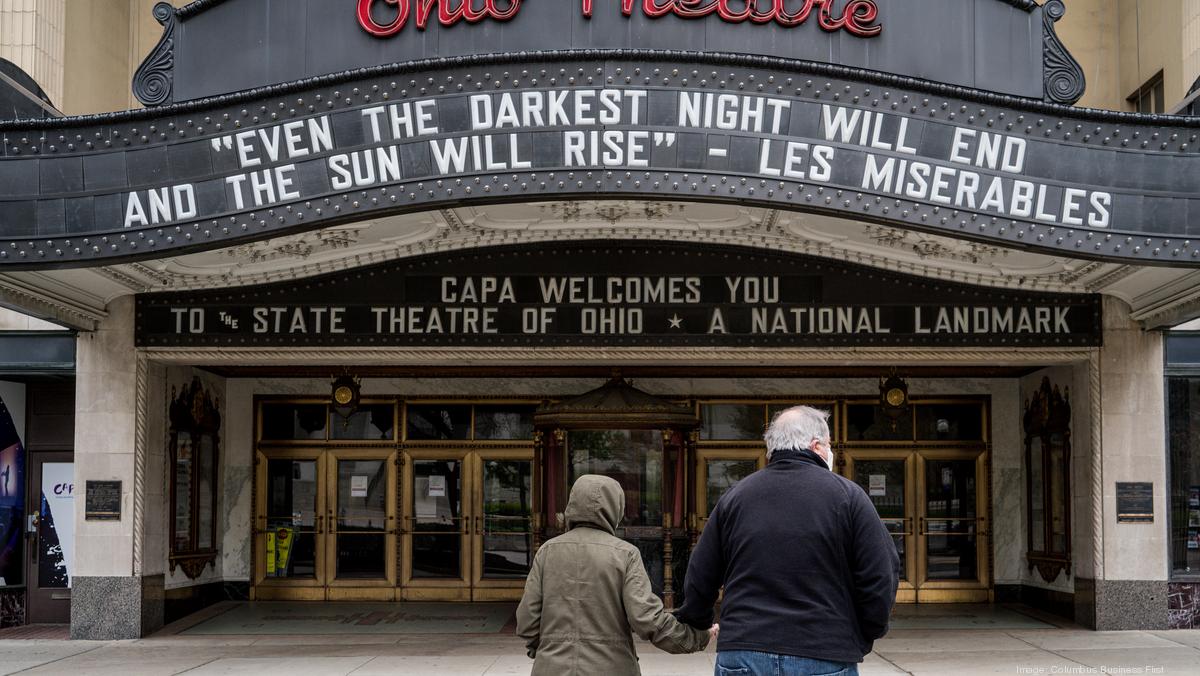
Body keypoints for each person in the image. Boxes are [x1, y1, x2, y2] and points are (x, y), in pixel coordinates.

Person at [676, 406, 900, 676]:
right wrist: (865, 632)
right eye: (830, 445)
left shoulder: (735, 498)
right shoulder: (848, 497)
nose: (832, 451)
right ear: (816, 446)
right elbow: (880, 574)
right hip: (823, 648)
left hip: (744, 648)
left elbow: (701, 574)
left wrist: (698, 620)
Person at [517, 474, 717, 675]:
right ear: (616, 509)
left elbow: (527, 621)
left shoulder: (547, 552)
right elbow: (649, 621)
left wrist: (548, 650)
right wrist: (697, 637)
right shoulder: (625, 554)